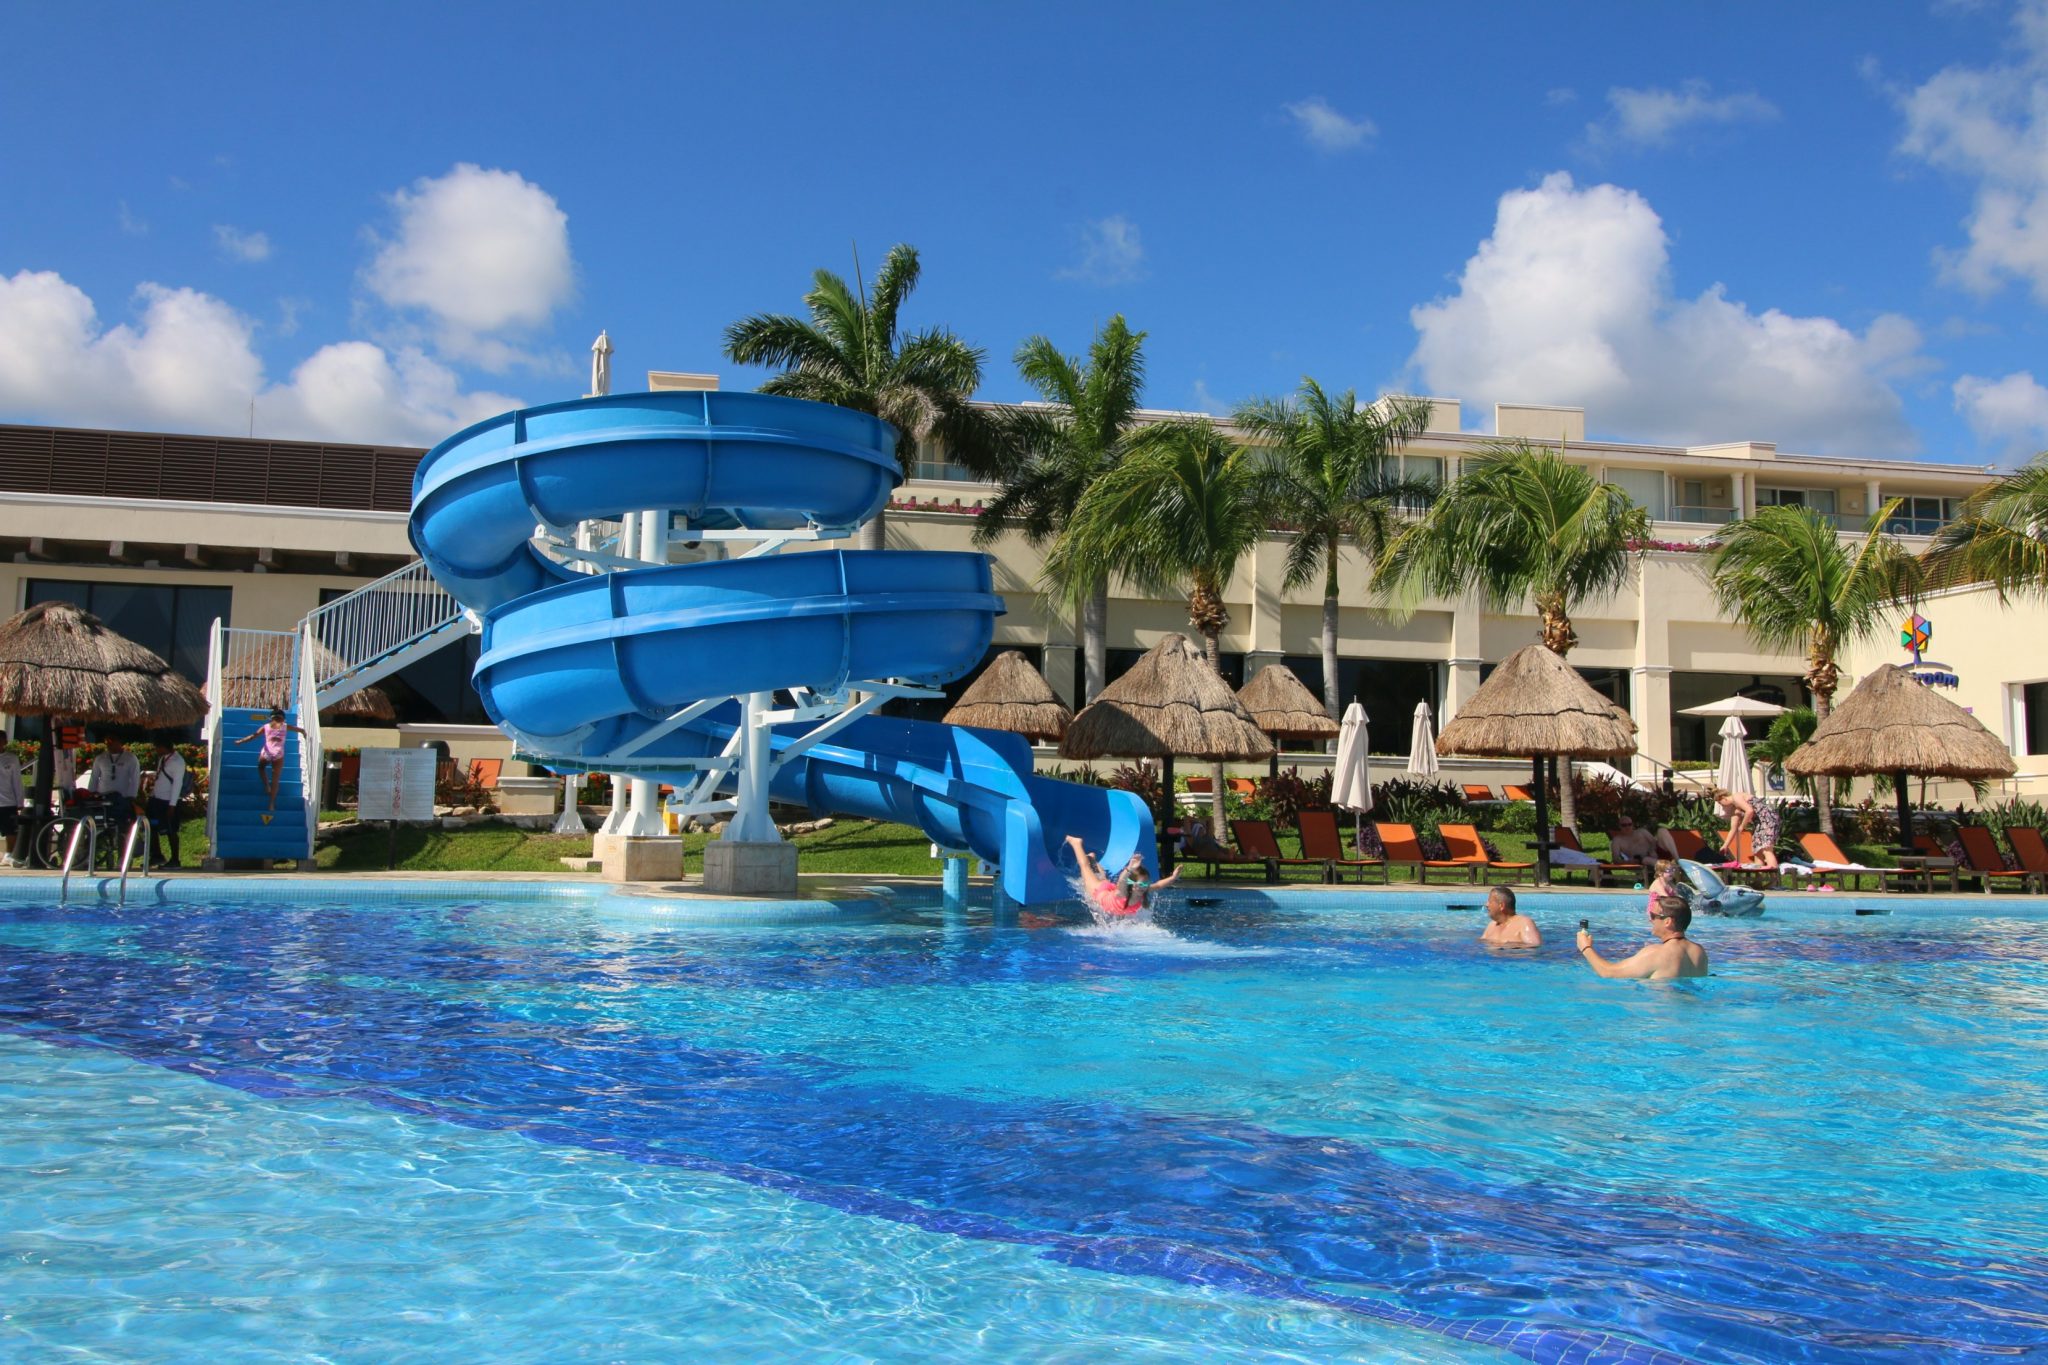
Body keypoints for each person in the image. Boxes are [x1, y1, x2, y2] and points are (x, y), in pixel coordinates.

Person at [1577, 895, 1709, 980]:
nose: (1650, 920)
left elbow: (1608, 973)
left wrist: (1586, 947)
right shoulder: (1699, 951)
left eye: (1653, 916)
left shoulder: (1656, 953)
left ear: (1667, 922)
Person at [1066, 835, 1179, 917]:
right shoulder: (1122, 893)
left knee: (1102, 877)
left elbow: (1158, 885)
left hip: (1108, 889)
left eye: (1145, 884)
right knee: (1085, 868)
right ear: (1131, 884)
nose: (1143, 887)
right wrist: (1130, 868)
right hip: (1099, 893)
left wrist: (1172, 878)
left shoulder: (1142, 889)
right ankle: (1076, 843)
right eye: (1140, 884)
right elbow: (1121, 880)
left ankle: (1092, 859)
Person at [234, 708, 305, 813]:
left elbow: (253, 736)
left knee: (261, 767)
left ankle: (266, 784)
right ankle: (271, 804)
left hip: (267, 753)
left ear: (271, 718)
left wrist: (241, 741)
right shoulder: (285, 726)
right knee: (275, 780)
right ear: (283, 718)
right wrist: (304, 733)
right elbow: (299, 729)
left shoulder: (266, 727)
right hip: (278, 754)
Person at [87, 735, 142, 844]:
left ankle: (123, 848)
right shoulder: (100, 758)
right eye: (107, 742)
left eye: (111, 741)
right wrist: (91, 793)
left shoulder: (130, 758)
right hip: (104, 798)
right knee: (103, 823)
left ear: (119, 742)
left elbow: (135, 779)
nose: (109, 744)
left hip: (123, 798)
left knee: (123, 826)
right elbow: (94, 778)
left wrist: (132, 796)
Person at [143, 739, 187, 869]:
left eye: (157, 747)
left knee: (170, 830)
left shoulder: (178, 761)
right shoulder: (163, 758)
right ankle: (156, 855)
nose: (156, 750)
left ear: (163, 747)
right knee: (151, 826)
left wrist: (172, 805)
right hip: (156, 799)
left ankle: (175, 859)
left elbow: (177, 784)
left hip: (168, 802)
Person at [1713, 788, 1755, 860]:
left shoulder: (1737, 798)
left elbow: (1750, 811)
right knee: (1758, 850)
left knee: (1764, 851)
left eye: (1720, 803)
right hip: (1758, 824)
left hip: (1765, 821)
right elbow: (1733, 829)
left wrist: (1742, 826)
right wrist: (1725, 845)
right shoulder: (1734, 809)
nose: (1722, 806)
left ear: (1723, 798)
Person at [0, 747, 22, 867]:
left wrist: (20, 802)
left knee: (10, 830)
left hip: (8, 801)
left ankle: (8, 855)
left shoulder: (12, 759)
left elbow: (17, 780)